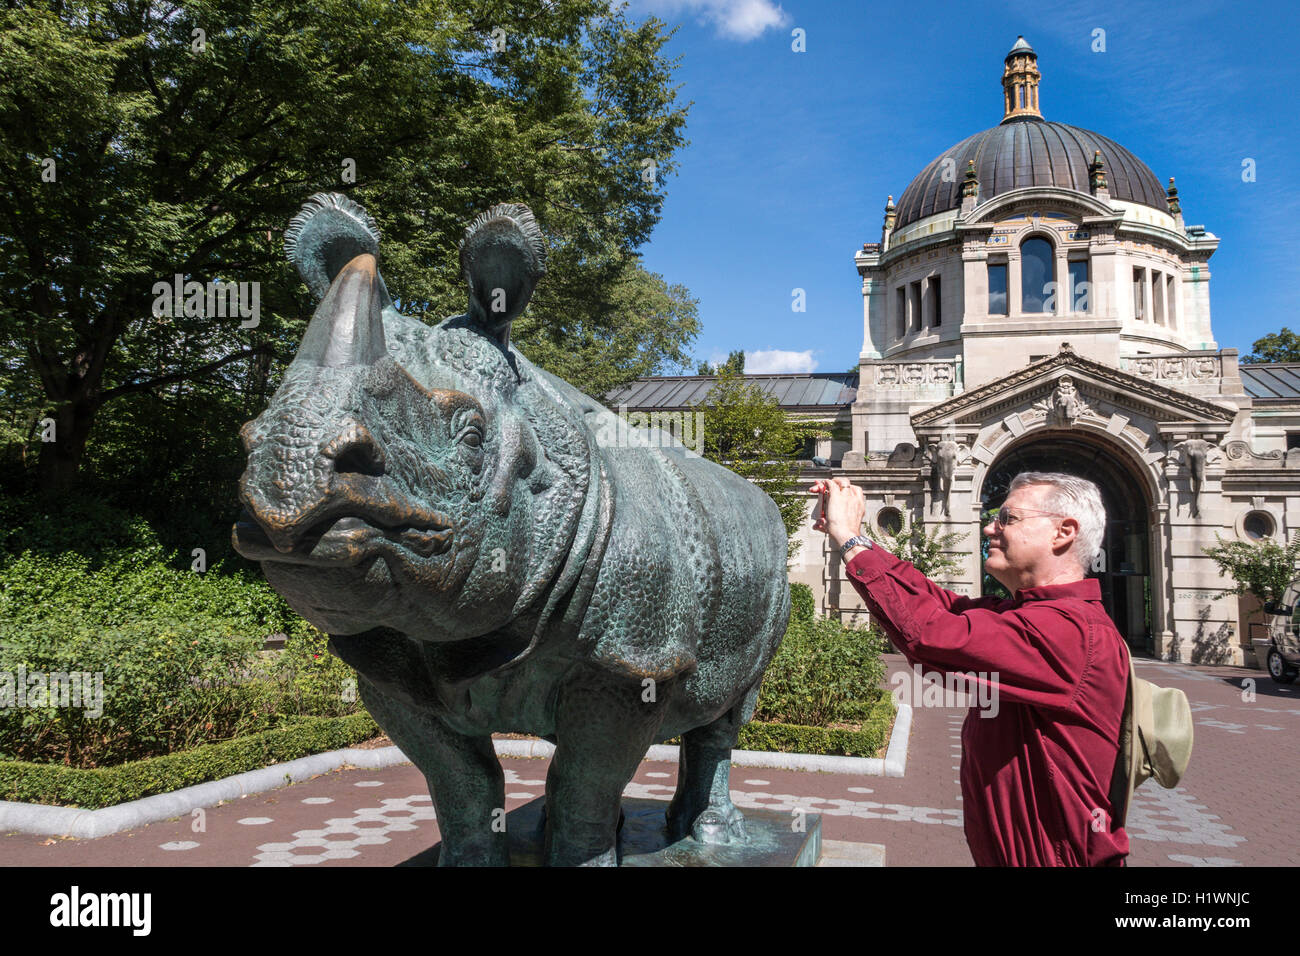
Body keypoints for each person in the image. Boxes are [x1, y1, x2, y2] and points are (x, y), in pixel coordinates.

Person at [811, 471, 1130, 866]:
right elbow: (941, 606)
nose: (988, 526)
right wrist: (860, 541)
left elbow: (931, 634)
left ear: (1063, 532)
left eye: (1007, 519)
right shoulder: (1030, 614)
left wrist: (852, 541)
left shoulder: (1070, 630)